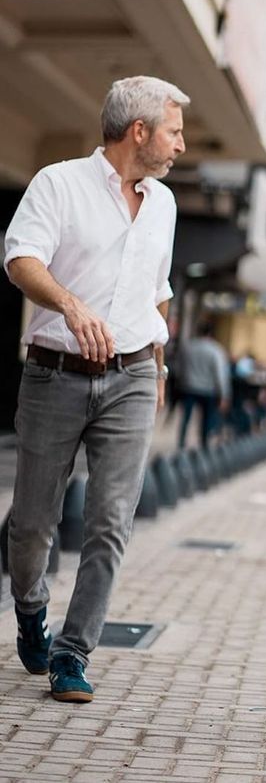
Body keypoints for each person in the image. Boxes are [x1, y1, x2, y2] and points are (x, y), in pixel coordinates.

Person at [4, 75, 187, 703]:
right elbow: (20, 257)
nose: (181, 145)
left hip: (132, 376)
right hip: (55, 373)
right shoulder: (58, 183)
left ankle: (72, 653)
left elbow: (156, 292)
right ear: (139, 131)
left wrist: (158, 367)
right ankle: (30, 609)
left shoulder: (162, 203)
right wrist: (70, 304)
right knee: (32, 524)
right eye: (174, 130)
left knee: (112, 521)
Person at [176, 321, 231, 448]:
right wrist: (224, 395)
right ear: (211, 333)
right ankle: (204, 443)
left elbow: (180, 367)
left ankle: (181, 442)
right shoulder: (215, 350)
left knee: (186, 417)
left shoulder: (188, 347)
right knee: (205, 419)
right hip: (208, 390)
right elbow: (220, 374)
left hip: (188, 387)